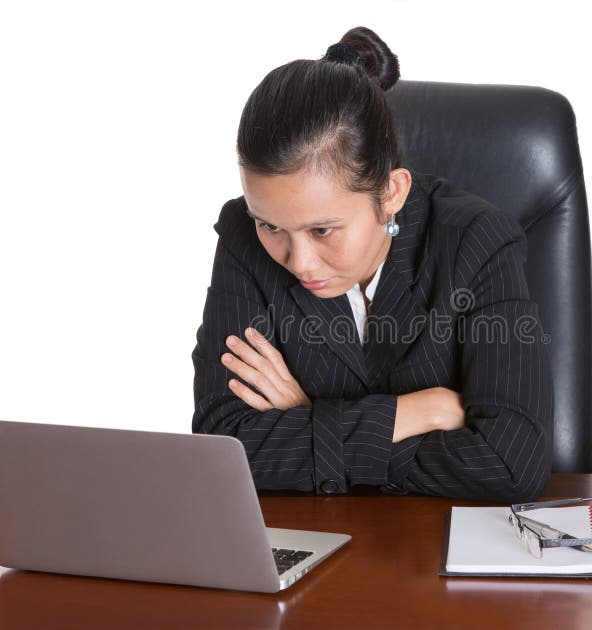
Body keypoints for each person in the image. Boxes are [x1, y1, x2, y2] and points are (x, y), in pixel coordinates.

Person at [191, 26, 554, 502]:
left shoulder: (476, 241)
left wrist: (308, 416)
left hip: (436, 553)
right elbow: (222, 448)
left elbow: (510, 462)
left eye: (322, 230)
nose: (298, 261)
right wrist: (414, 414)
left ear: (392, 192)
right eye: (271, 226)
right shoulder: (243, 235)